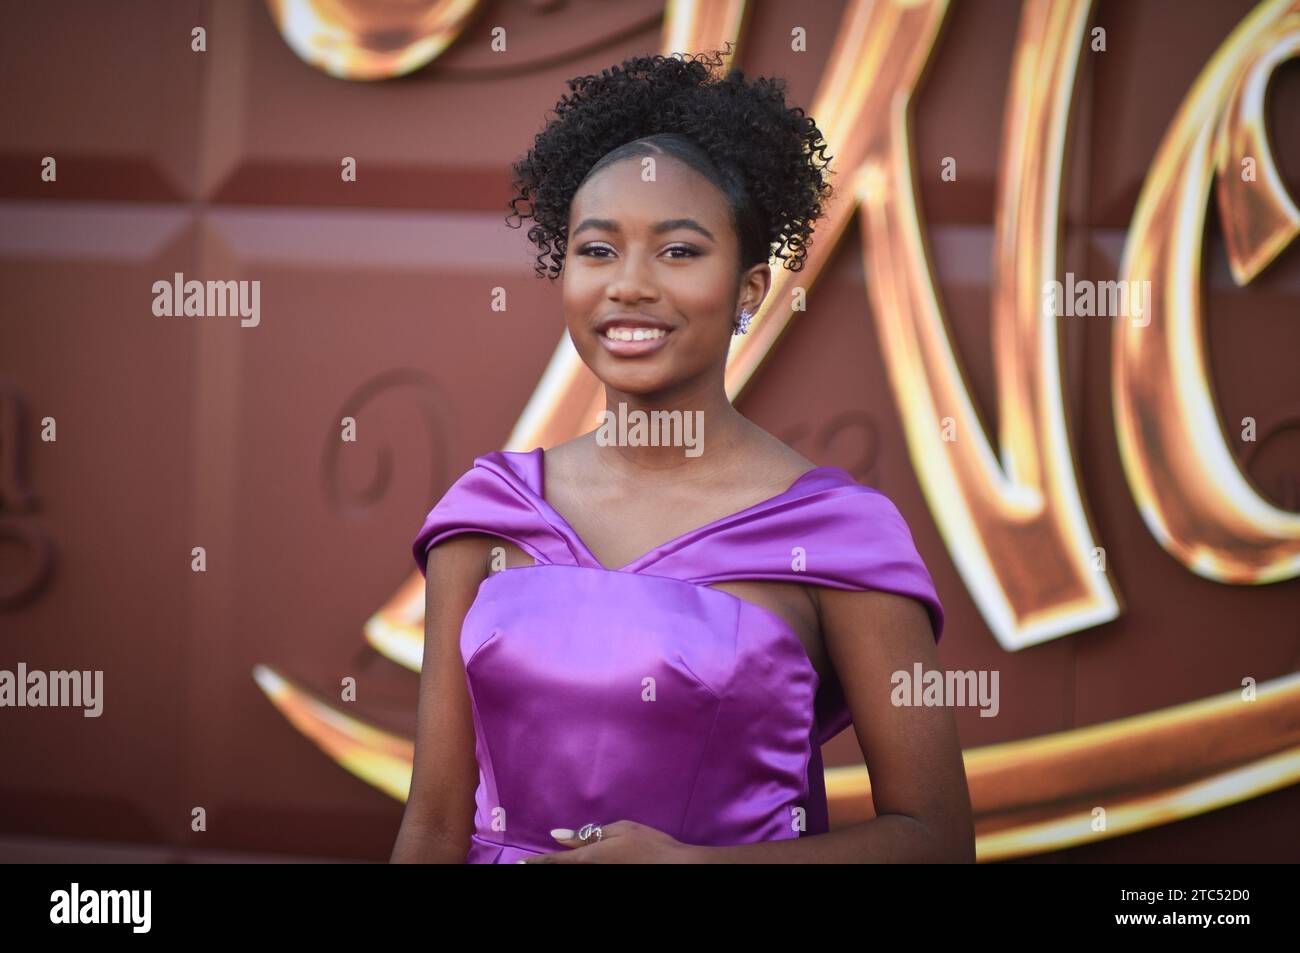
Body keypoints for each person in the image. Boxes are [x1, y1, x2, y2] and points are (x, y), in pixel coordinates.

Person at [390, 46, 974, 863]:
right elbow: (432, 823)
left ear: (750, 289)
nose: (629, 285)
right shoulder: (487, 515)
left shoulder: (834, 533)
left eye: (679, 251)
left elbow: (935, 840)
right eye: (598, 250)